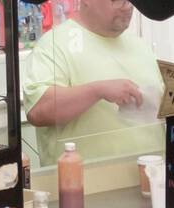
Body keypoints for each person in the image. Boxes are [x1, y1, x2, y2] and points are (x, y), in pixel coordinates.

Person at [24, 0, 164, 164]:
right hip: (83, 184)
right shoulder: (55, 44)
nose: (127, 5)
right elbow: (38, 110)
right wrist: (97, 91)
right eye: (116, 0)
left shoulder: (140, 45)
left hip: (152, 177)